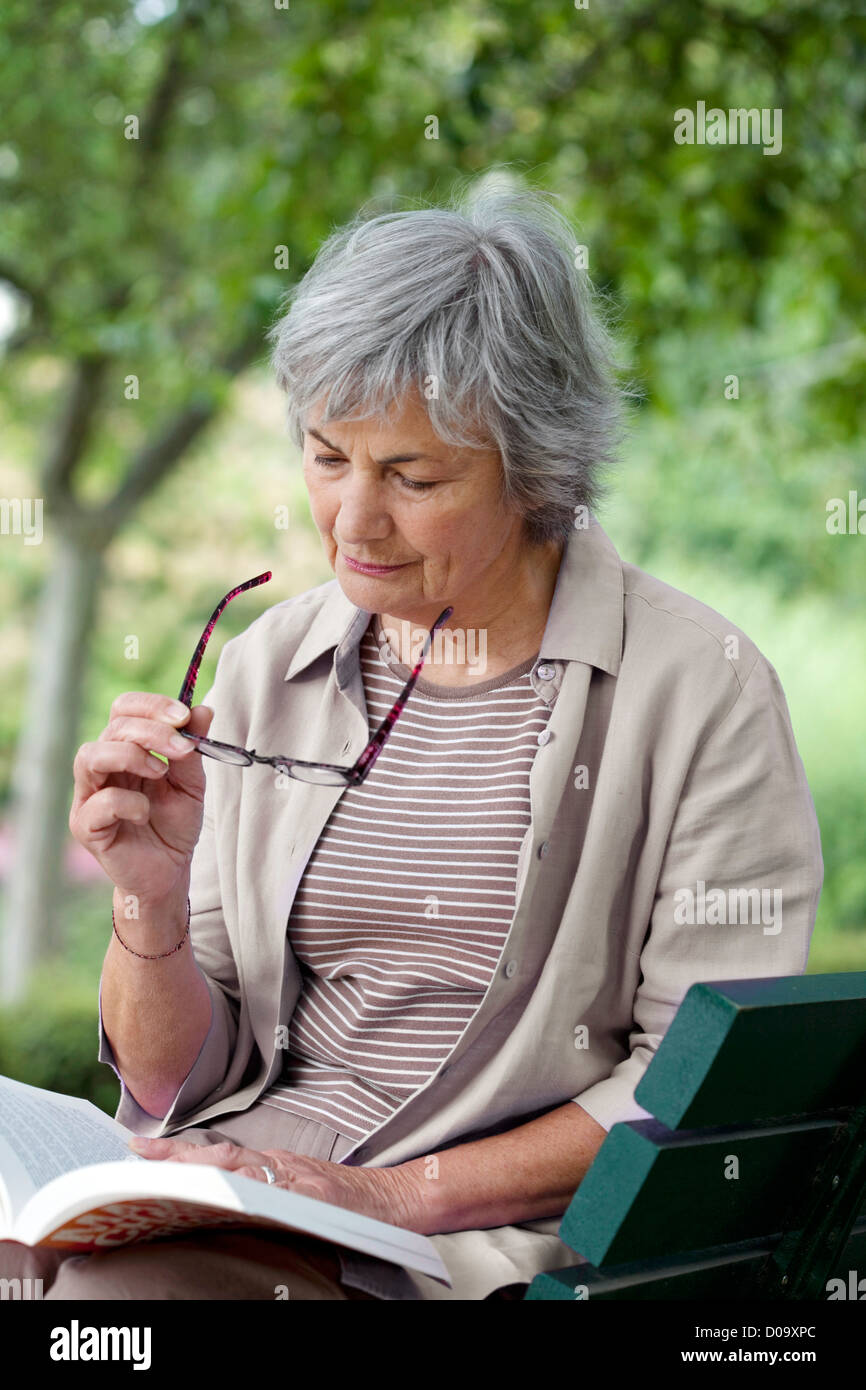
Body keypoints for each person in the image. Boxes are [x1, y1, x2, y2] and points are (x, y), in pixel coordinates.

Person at [0, 182, 822, 1300]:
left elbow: (688, 1088)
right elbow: (172, 1075)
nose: (349, 520)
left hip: (460, 1248)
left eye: (411, 476)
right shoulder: (266, 665)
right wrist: (146, 897)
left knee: (117, 1308)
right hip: (238, 1181)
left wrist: (385, 1196)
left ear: (534, 469)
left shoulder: (697, 694)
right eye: (327, 456)